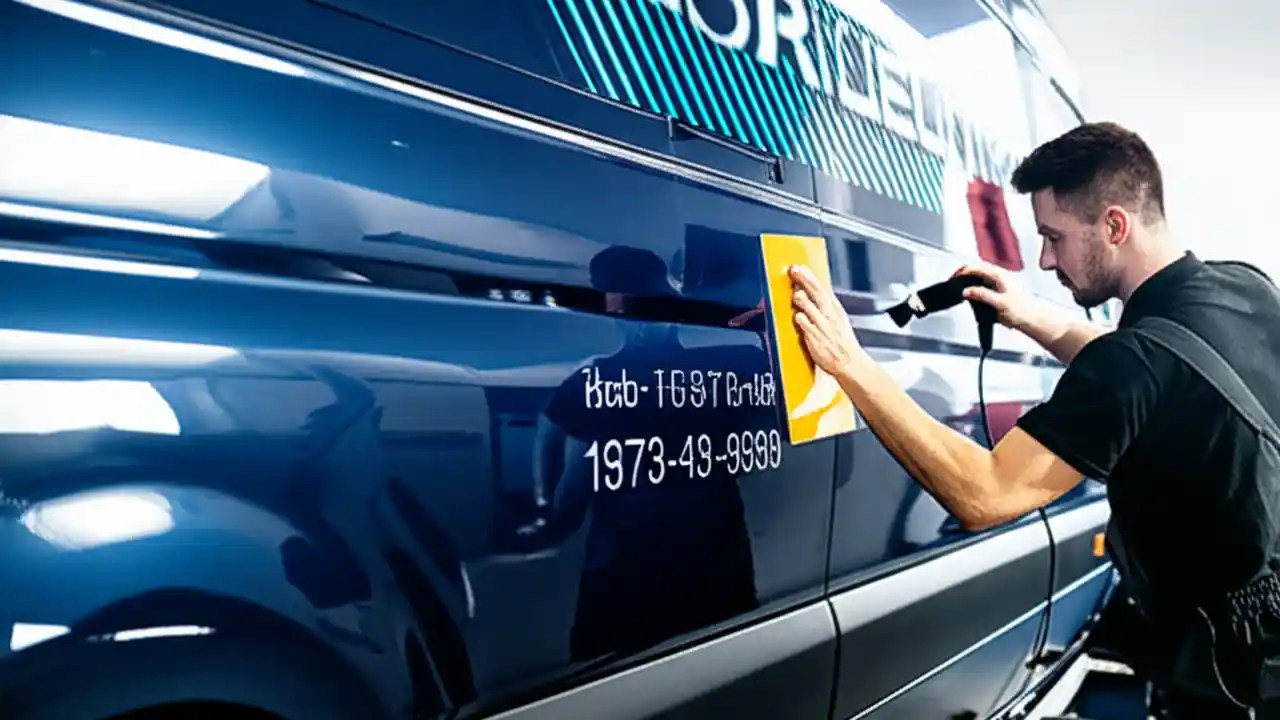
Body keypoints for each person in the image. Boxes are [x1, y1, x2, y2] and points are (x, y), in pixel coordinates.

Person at [789, 121, 1280, 718]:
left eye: (1053, 237)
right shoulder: (1245, 288)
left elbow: (985, 492)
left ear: (1115, 226)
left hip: (1228, 678)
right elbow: (1163, 371)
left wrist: (850, 364)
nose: (1044, 260)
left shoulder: (1132, 363)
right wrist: (1025, 313)